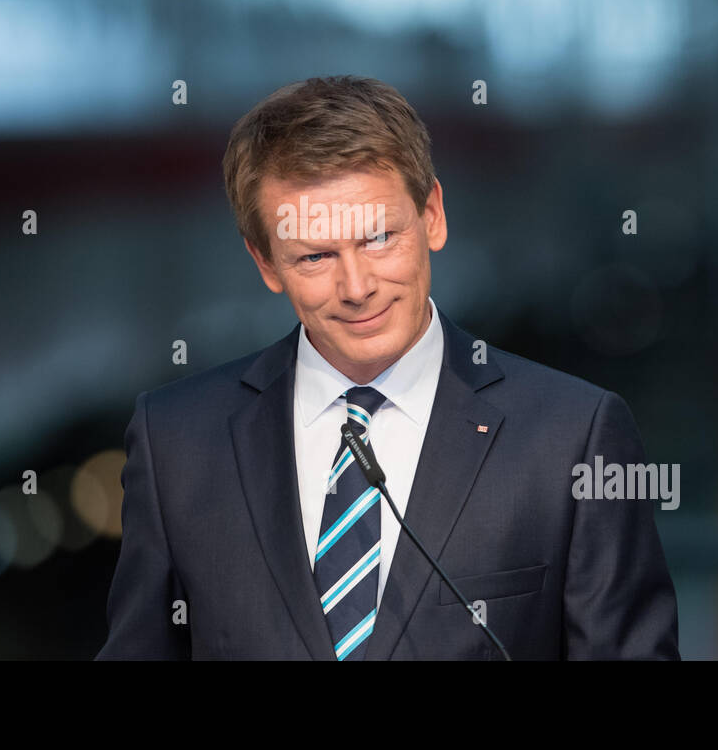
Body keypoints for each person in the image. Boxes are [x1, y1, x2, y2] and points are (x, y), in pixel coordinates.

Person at [96, 75, 679, 660]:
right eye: (316, 256)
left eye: (378, 239)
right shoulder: (175, 442)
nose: (357, 287)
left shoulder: (572, 436)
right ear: (267, 263)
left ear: (432, 217)